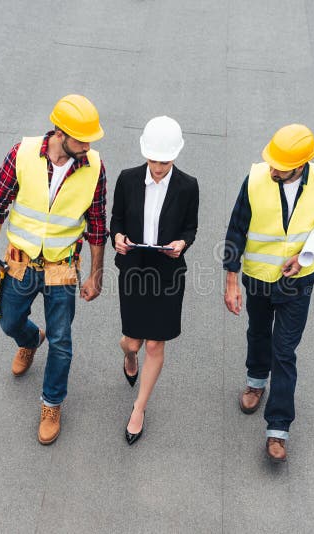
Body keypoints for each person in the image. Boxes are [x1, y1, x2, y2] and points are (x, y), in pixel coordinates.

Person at [0, 94, 107, 445]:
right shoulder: (22, 153)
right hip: (21, 262)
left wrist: (96, 273)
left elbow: (96, 223)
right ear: (59, 132)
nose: (88, 145)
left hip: (62, 267)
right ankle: (30, 339)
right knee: (9, 322)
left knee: (62, 341)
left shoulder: (93, 166)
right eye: (82, 139)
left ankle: (52, 403)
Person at [223, 124, 314, 462]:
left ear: (301, 165)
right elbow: (236, 229)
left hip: (298, 282)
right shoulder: (255, 179)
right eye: (272, 162)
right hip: (258, 278)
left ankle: (277, 429)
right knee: (259, 333)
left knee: (285, 352)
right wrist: (231, 281)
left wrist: (308, 251)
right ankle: (255, 380)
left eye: (280, 165)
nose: (273, 169)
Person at [110, 116, 199, 445]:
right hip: (134, 269)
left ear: (175, 156)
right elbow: (116, 218)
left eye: (164, 161)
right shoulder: (127, 179)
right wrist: (117, 236)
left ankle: (139, 408)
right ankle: (129, 355)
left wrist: (182, 243)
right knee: (132, 341)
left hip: (167, 273)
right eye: (153, 160)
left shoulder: (188, 186)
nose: (158, 168)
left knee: (155, 344)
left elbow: (190, 227)